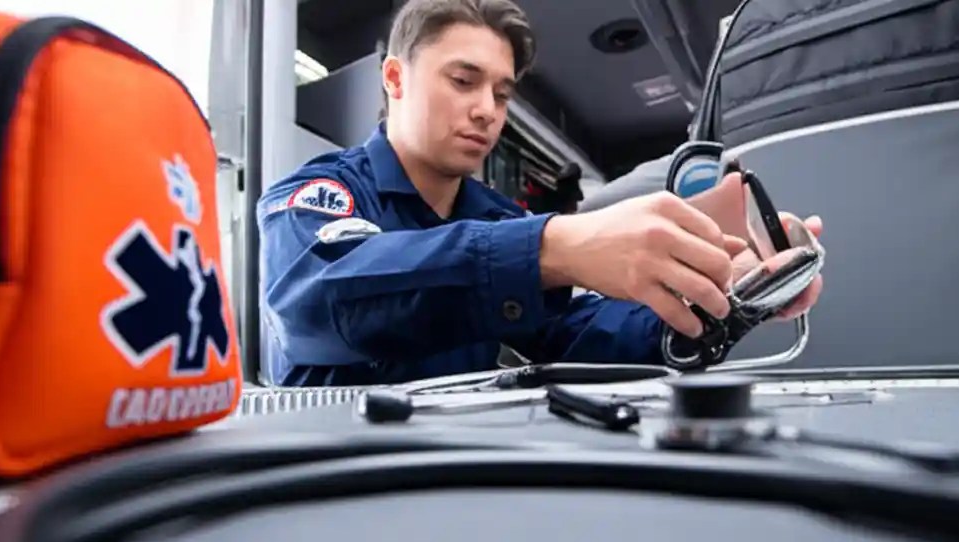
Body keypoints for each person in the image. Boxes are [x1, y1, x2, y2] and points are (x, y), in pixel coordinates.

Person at [257, 0, 823, 387]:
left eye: (502, 94)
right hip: (328, 480)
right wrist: (552, 249)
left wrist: (716, 300)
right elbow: (316, 301)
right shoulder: (319, 192)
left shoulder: (501, 219)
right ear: (396, 79)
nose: (487, 110)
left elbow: (581, 333)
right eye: (462, 81)